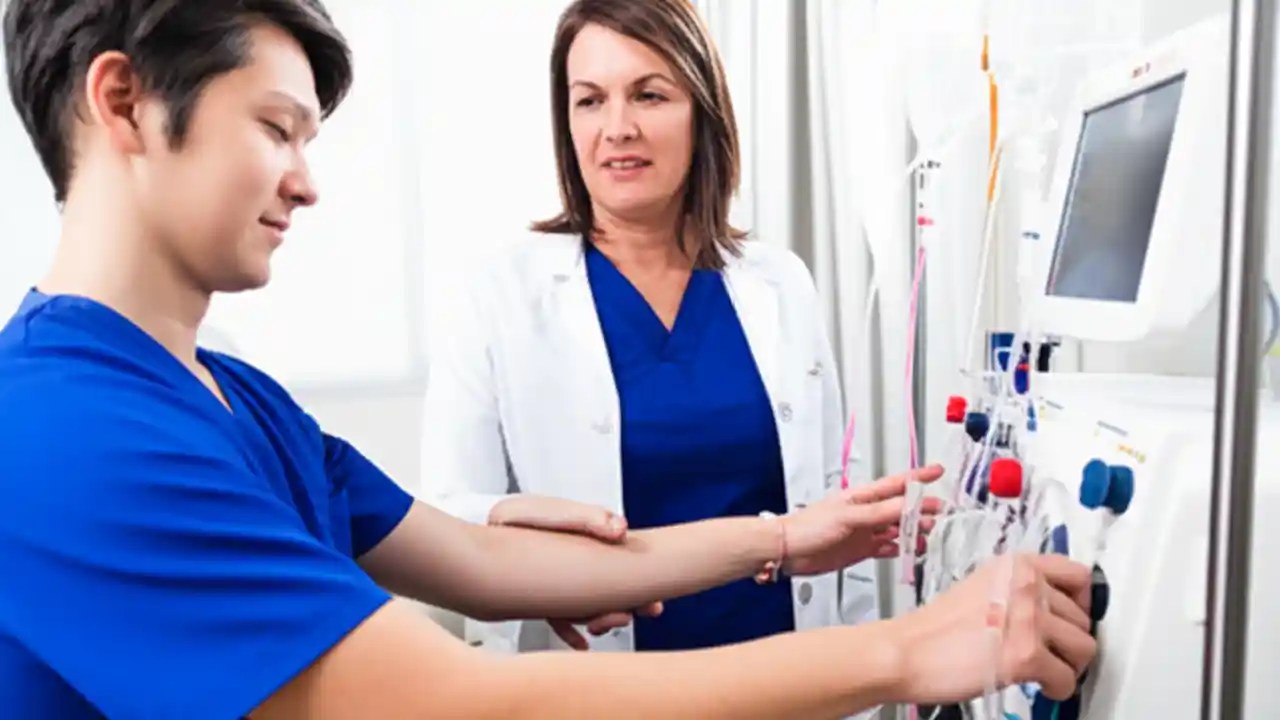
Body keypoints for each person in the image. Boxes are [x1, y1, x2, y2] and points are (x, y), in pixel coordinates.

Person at [0, 1, 1097, 718]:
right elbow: (458, 703)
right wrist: (911, 652)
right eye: (278, 129)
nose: (305, 179)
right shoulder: (61, 433)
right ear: (123, 103)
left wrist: (786, 538)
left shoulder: (236, 401)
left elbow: (493, 565)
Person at [421, 0, 877, 654]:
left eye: (649, 94)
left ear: (703, 111)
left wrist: (860, 681)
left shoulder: (780, 284)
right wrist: (532, 555)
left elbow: (841, 511)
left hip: (786, 677)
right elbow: (444, 519)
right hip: (610, 687)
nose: (617, 127)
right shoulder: (499, 297)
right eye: (589, 100)